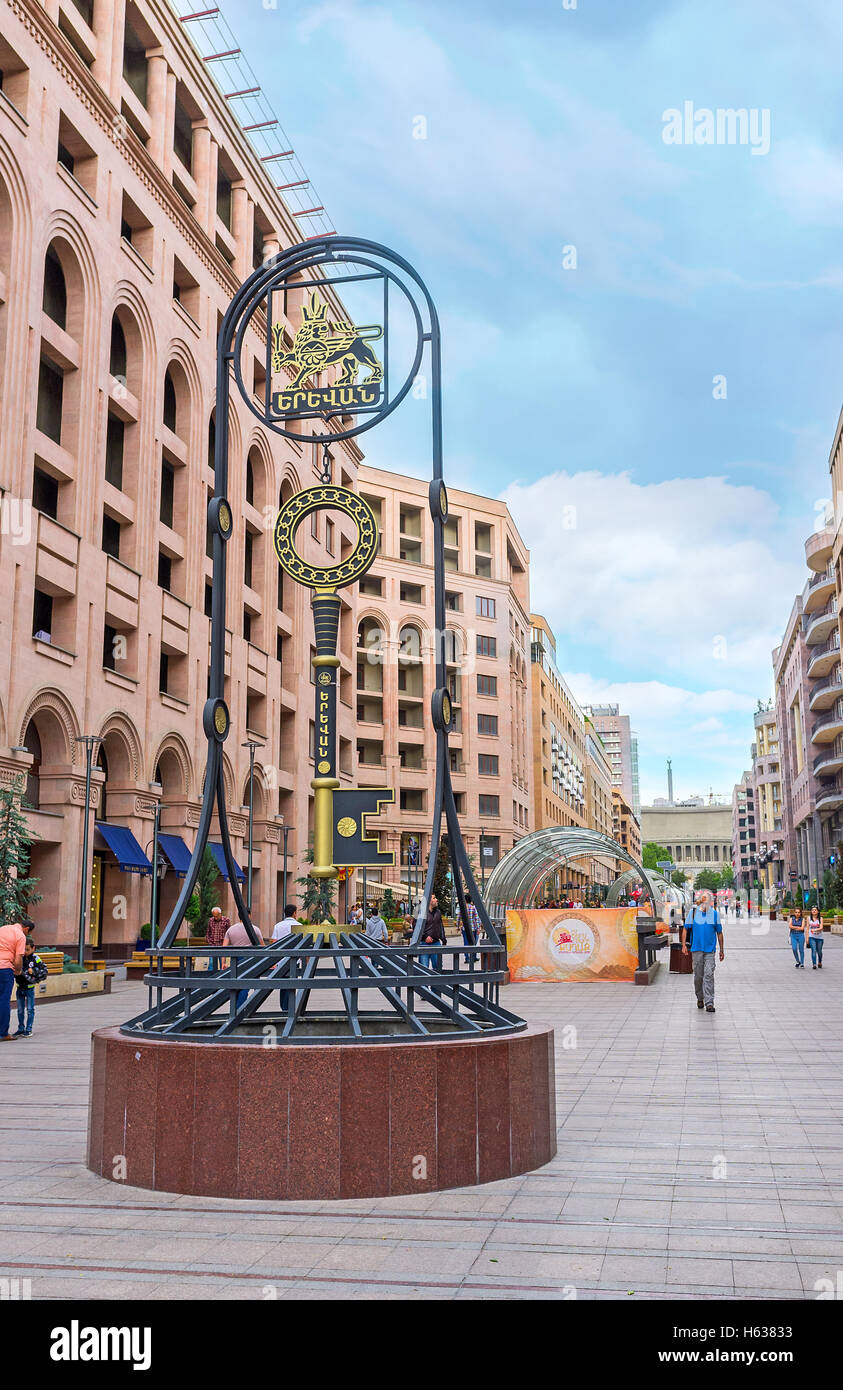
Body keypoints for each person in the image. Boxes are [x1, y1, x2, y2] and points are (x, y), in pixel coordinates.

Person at [681, 890, 725, 1013]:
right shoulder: (693, 913)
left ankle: (709, 1002)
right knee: (698, 977)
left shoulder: (715, 915)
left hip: (710, 951)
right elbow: (685, 929)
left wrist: (721, 950)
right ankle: (700, 997)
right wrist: (684, 945)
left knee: (709, 975)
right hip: (696, 950)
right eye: (703, 900)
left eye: (708, 900)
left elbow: (719, 933)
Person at [0, 918, 32, 1041]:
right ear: (26, 929)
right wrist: (18, 971)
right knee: (3, 999)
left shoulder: (2, 929)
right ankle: (2, 1033)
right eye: (28, 933)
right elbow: (18, 958)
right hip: (4, 969)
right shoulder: (20, 935)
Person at [223, 919, 264, 1010]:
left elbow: (224, 947)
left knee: (235, 983)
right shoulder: (255, 929)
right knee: (246, 984)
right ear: (248, 916)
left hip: (235, 959)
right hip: (250, 958)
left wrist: (223, 962)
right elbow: (262, 946)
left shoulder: (231, 929)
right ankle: (239, 1008)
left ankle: (233, 1008)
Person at [13, 939, 47, 1038]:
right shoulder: (20, 957)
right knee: (20, 1010)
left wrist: (34, 971)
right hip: (20, 988)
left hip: (29, 988)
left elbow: (44, 971)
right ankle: (20, 1028)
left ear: (33, 948)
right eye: (23, 949)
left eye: (27, 949)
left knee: (30, 1009)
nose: (25, 952)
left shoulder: (36, 959)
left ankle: (28, 1029)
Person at [419, 894, 446, 973]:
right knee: (423, 968)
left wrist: (443, 939)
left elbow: (440, 926)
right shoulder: (421, 912)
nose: (436, 900)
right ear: (429, 901)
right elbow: (416, 927)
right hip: (424, 943)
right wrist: (425, 937)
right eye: (434, 898)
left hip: (436, 942)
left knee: (438, 967)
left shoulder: (438, 912)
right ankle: (424, 986)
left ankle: (436, 985)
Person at [205, 905, 230, 975]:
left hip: (222, 946)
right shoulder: (211, 920)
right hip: (212, 945)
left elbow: (229, 933)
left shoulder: (226, 920)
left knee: (222, 963)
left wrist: (226, 943)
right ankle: (210, 978)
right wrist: (210, 942)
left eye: (216, 916)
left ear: (220, 914)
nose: (215, 918)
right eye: (214, 916)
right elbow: (208, 933)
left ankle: (223, 978)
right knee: (211, 963)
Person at [460, 892, 480, 964]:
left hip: (465, 929)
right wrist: (478, 928)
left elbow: (459, 917)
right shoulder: (473, 907)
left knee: (466, 943)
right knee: (473, 943)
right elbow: (477, 918)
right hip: (473, 928)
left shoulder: (462, 908)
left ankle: (467, 958)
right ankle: (474, 957)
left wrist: (458, 926)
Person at [807, 904, 825, 970]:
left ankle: (820, 962)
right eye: (812, 910)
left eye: (815, 910)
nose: (814, 911)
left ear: (818, 911)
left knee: (819, 951)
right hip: (812, 937)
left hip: (820, 938)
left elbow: (821, 928)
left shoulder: (820, 918)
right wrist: (807, 938)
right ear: (811, 911)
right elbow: (807, 929)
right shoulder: (809, 918)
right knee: (813, 950)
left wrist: (815, 929)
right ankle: (814, 964)